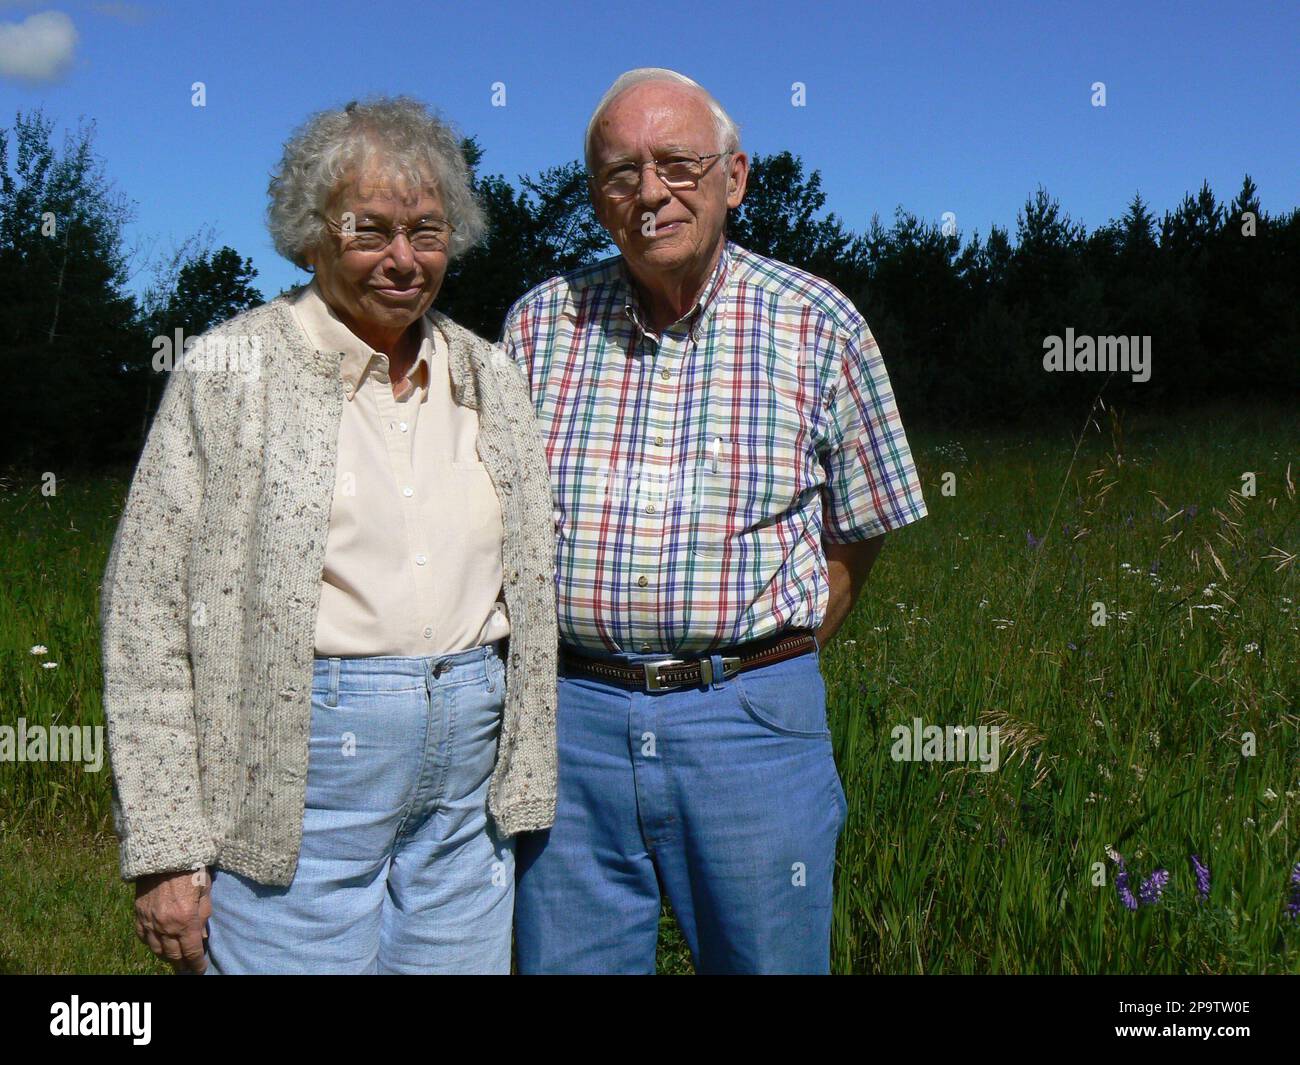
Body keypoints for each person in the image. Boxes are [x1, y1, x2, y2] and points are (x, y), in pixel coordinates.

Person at [100, 96, 557, 974]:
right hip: (296, 773)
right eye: (369, 230)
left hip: (467, 782)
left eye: (427, 231)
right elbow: (147, 612)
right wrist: (164, 848)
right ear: (311, 235)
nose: (402, 258)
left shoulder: (490, 375)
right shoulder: (230, 369)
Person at [503, 68, 928, 974]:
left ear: (733, 178)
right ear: (596, 196)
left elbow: (864, 521)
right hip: (567, 723)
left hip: (749, 724)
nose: (651, 193)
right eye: (622, 173)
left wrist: (764, 667)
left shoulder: (820, 325)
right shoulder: (539, 325)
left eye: (677, 165)